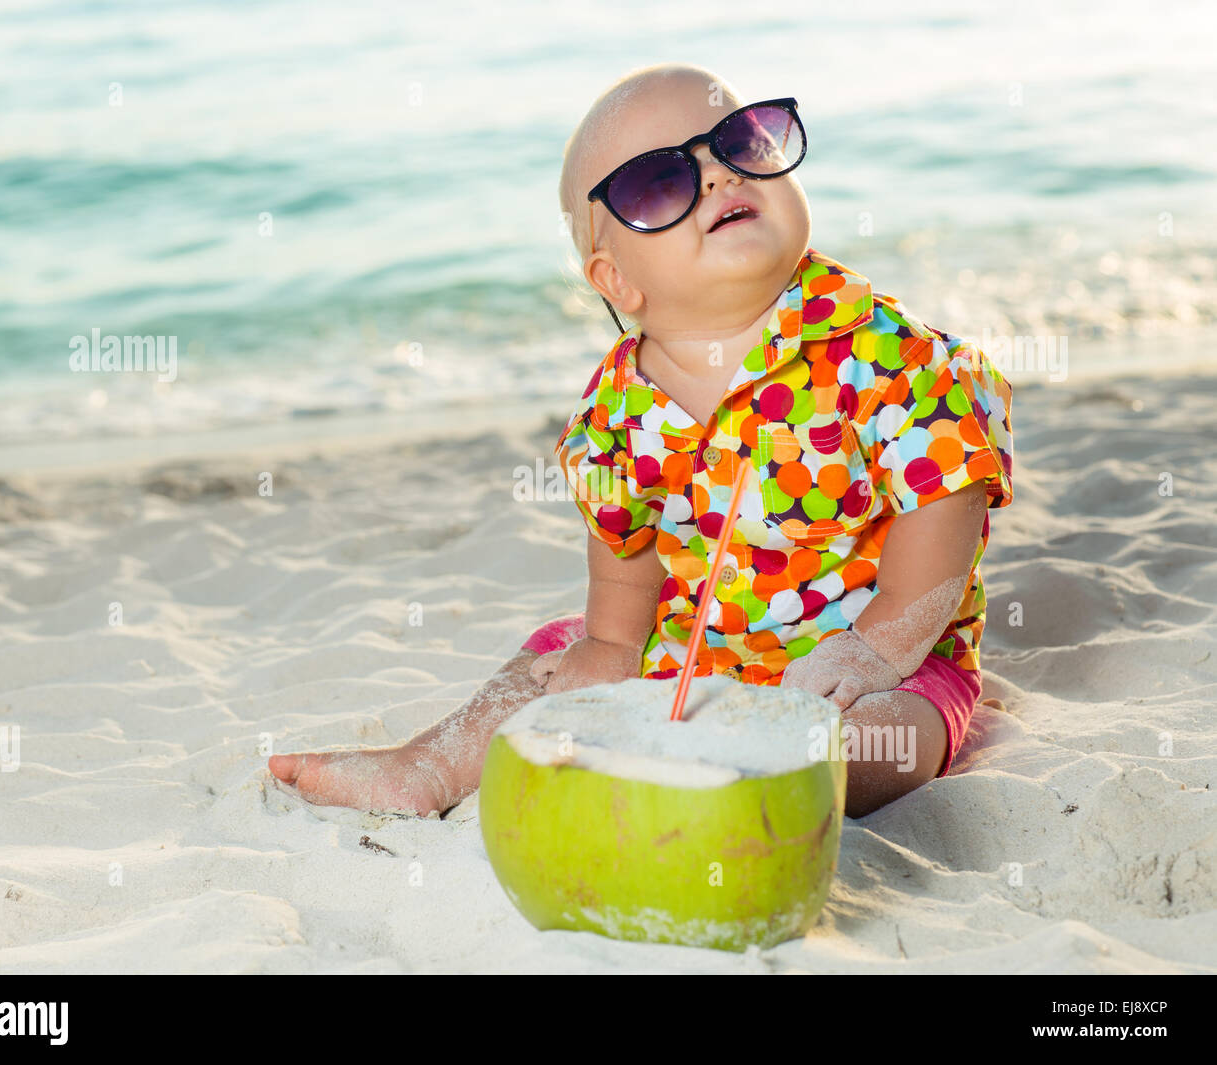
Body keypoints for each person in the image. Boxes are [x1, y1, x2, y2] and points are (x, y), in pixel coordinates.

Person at [268, 62, 1015, 819]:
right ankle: (425, 768)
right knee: (553, 658)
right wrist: (611, 644)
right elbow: (626, 554)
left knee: (889, 736)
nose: (720, 178)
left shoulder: (887, 351)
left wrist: (882, 646)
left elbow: (943, 506)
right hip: (691, 644)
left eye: (741, 145)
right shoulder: (616, 407)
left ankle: (766, 790)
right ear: (616, 280)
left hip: (870, 654)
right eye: (660, 183)